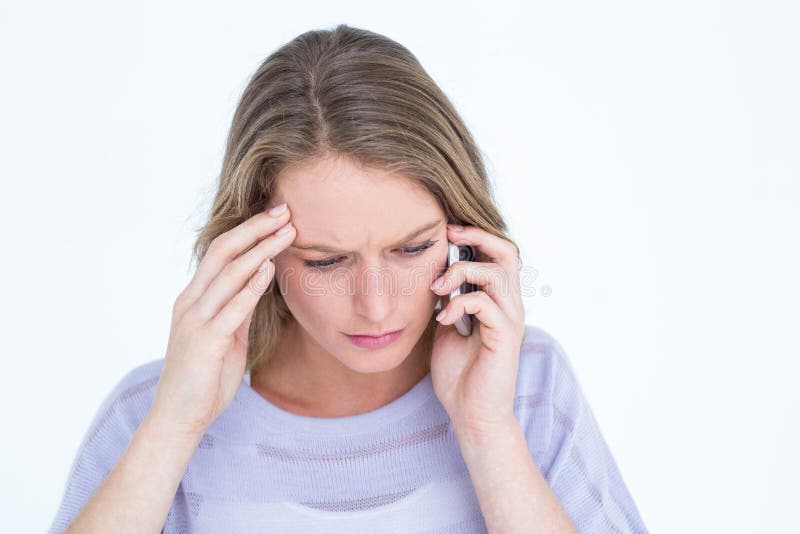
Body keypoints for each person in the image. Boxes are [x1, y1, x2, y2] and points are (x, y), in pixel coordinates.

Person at [48, 24, 649, 533]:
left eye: (412, 248)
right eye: (325, 262)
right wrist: (175, 425)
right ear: (253, 247)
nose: (377, 307)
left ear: (462, 228)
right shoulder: (151, 413)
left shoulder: (527, 384)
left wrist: (486, 431)